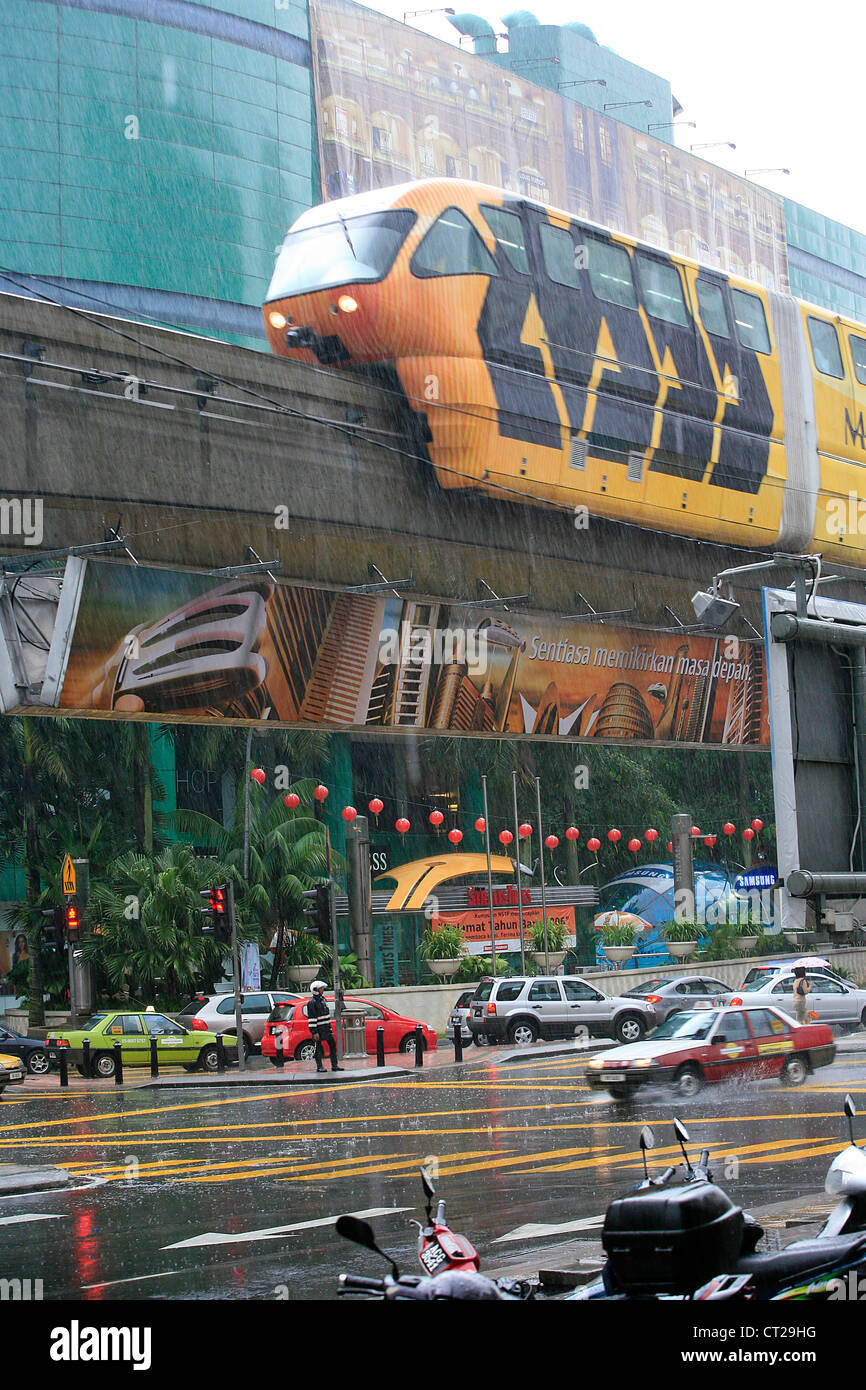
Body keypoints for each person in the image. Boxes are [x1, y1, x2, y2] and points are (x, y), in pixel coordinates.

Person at [307, 980, 343, 1073]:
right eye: (321, 989)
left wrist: (329, 1028)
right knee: (318, 1048)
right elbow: (312, 1018)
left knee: (332, 1046)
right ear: (316, 990)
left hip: (326, 1028)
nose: (322, 990)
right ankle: (319, 1066)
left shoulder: (323, 1000)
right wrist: (314, 1032)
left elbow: (326, 1015)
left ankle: (334, 1065)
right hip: (318, 1029)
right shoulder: (312, 1002)